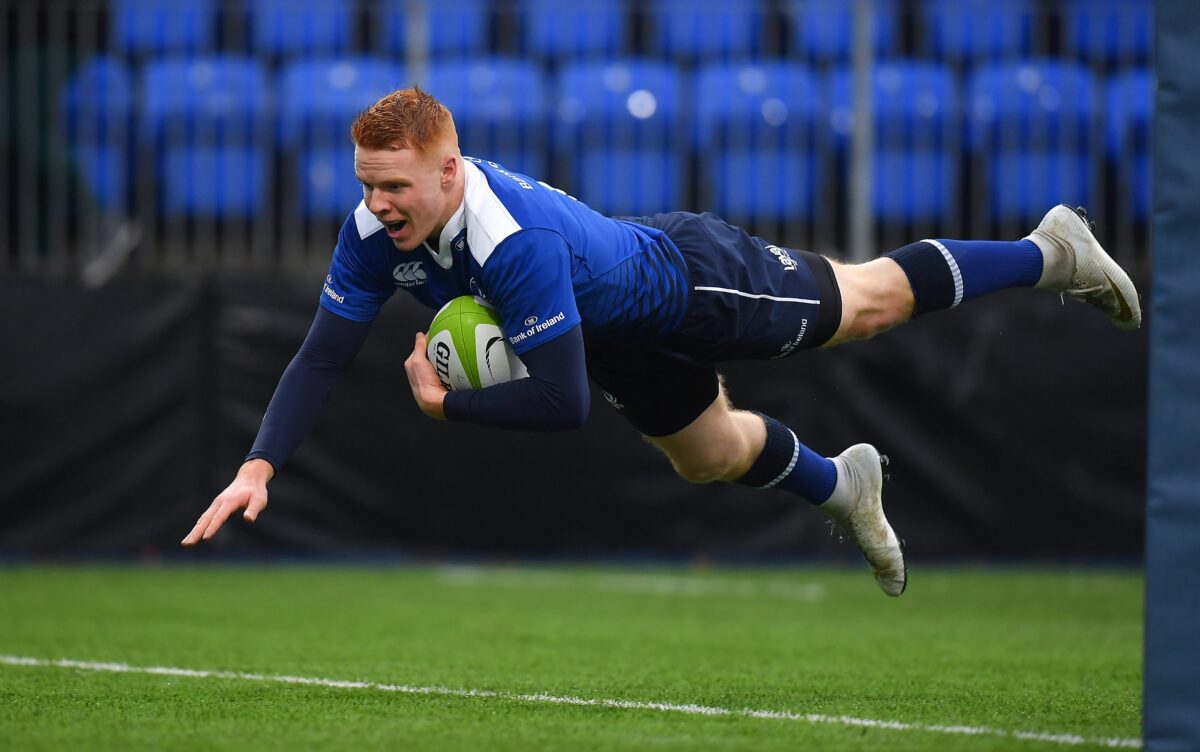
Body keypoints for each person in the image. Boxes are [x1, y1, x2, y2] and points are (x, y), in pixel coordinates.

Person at [181, 87, 1141, 596]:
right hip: (620, 340)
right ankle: (842, 484)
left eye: (396, 184)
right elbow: (320, 354)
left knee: (873, 299)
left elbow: (560, 406)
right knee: (710, 457)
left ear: (449, 170)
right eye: (365, 183)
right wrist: (261, 466)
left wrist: (451, 404)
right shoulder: (372, 235)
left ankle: (1050, 249)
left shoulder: (512, 246)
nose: (377, 201)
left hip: (689, 283)